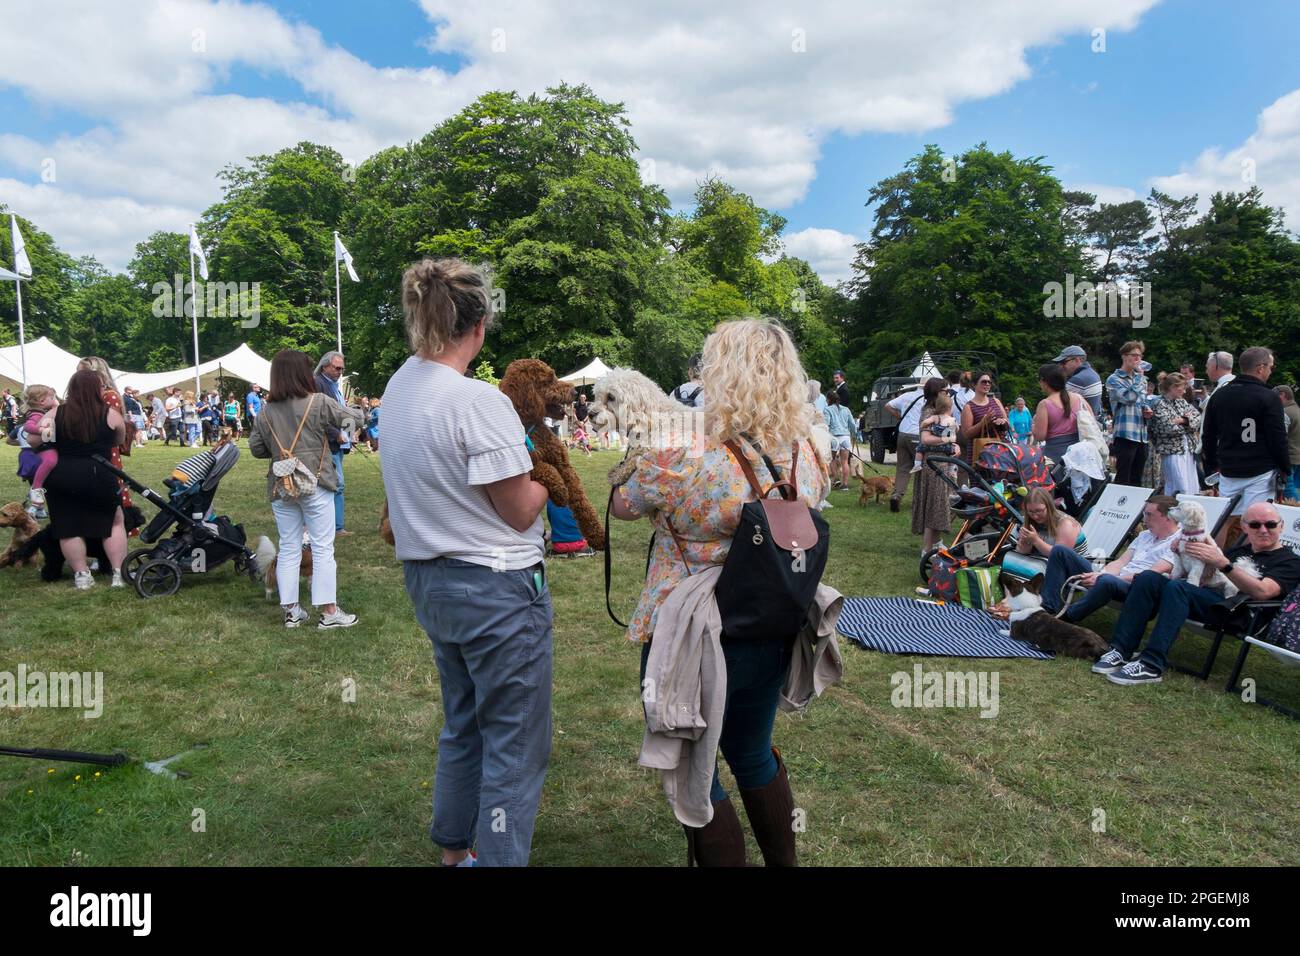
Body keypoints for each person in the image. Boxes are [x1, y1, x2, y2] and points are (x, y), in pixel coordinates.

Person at [611, 317, 828, 867]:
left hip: (689, 623)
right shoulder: (807, 446)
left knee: (691, 767)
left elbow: (625, 506)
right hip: (773, 616)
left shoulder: (683, 442)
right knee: (752, 751)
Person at [381, 258, 551, 867]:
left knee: (464, 725)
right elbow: (519, 511)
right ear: (477, 328)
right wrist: (549, 480)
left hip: (431, 581)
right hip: (495, 586)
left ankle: (456, 855)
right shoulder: (476, 401)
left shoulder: (400, 388)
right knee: (514, 742)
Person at [1094, 502, 1300, 685]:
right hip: (1210, 597)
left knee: (1178, 588)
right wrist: (1182, 552)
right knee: (1148, 578)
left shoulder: (1290, 561)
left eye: (1270, 524)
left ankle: (1151, 663)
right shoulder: (1239, 551)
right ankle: (1121, 649)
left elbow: (1263, 592)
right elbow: (1204, 572)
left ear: (1281, 526)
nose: (1263, 530)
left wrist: (1223, 564)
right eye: (1255, 525)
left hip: (1240, 612)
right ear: (1245, 527)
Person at [249, 349, 363, 630]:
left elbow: (256, 449)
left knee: (288, 548)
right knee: (323, 548)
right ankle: (329, 612)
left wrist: (281, 450)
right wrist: (344, 430)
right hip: (316, 482)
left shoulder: (265, 412)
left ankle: (292, 612)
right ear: (303, 373)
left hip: (281, 486)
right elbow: (354, 420)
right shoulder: (319, 402)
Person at [26, 370, 129, 589]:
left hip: (63, 473)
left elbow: (36, 441)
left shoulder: (55, 414)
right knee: (114, 522)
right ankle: (119, 573)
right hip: (99, 472)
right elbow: (119, 439)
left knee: (68, 526)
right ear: (97, 389)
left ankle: (81, 575)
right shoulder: (110, 414)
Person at [1040, 495, 1178, 618]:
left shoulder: (1178, 543)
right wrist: (1101, 574)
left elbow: (1150, 575)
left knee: (1106, 581)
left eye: (1149, 514)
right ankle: (1048, 608)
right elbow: (1120, 562)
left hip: (1136, 587)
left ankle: (1066, 616)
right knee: (1059, 551)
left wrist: (1103, 577)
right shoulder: (1145, 535)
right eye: (1144, 513)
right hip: (1113, 578)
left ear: (1168, 518)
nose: (1144, 519)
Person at [1202, 347, 1289, 539]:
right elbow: (1277, 438)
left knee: (1223, 520)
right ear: (1260, 367)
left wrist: (1212, 465)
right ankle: (1248, 566)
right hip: (1260, 470)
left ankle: (1212, 566)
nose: (1270, 371)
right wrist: (1284, 467)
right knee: (1257, 522)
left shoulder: (1219, 395)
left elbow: (1207, 435)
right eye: (1270, 367)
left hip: (1228, 468)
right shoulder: (1268, 396)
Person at [911, 378, 957, 555]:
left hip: (942, 461)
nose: (948, 395)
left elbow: (950, 434)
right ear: (936, 393)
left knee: (939, 504)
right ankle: (927, 549)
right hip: (933, 464)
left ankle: (937, 544)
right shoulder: (928, 412)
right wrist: (947, 441)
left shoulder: (940, 412)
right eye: (945, 391)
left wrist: (954, 446)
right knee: (934, 505)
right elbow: (925, 439)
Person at [315, 351, 351, 536]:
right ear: (325, 366)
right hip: (327, 442)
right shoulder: (318, 384)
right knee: (336, 484)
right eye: (337, 368)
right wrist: (336, 433)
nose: (340, 371)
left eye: (342, 368)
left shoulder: (334, 385)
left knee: (336, 484)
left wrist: (349, 431)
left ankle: (335, 525)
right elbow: (319, 415)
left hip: (338, 442)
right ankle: (336, 527)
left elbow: (341, 412)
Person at [1106, 341, 1151, 486]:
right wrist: (1139, 377)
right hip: (1125, 434)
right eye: (1135, 356)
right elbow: (1128, 398)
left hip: (1141, 435)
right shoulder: (1114, 379)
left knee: (1137, 479)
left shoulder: (1140, 380)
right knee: (1123, 477)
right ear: (1124, 356)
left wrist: (1147, 410)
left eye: (1140, 356)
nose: (1138, 360)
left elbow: (1141, 401)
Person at [1149, 372, 1201, 496]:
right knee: (1178, 486)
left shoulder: (1181, 402)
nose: (1184, 392)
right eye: (1182, 388)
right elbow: (1167, 428)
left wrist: (1183, 421)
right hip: (1172, 451)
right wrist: (1188, 425)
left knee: (1191, 485)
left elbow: (1197, 418)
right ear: (1173, 387)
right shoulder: (1159, 404)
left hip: (1188, 449)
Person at [885, 383, 929, 512]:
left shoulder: (907, 395)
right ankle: (919, 500)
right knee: (921, 467)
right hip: (918, 434)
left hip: (903, 434)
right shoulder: (929, 399)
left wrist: (899, 416)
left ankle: (896, 495)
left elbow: (888, 405)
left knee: (903, 468)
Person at [1012, 486, 1087, 561]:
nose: (1035, 516)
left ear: (1049, 506)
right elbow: (1022, 552)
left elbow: (1059, 555)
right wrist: (1025, 542)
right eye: (1030, 511)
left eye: (1039, 511)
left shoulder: (1066, 524)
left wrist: (1036, 540)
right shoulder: (1029, 520)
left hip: (1075, 566)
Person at [16, 384, 58, 517]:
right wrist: (40, 430)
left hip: (46, 445)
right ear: (41, 401)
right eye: (51, 397)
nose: (54, 399)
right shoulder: (36, 414)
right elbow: (28, 426)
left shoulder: (43, 411)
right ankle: (36, 486)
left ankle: (38, 501)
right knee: (51, 460)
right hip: (44, 448)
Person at [958, 370, 1007, 465]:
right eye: (984, 382)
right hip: (980, 453)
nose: (987, 384)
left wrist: (1002, 421)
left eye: (989, 382)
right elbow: (967, 434)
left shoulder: (996, 401)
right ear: (974, 385)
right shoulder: (969, 407)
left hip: (999, 451)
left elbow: (1007, 422)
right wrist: (983, 423)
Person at [910, 390, 956, 477]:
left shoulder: (935, 417)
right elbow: (955, 429)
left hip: (932, 447)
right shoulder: (951, 419)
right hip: (946, 446)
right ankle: (952, 469)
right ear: (950, 408)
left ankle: (917, 465)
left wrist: (923, 425)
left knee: (919, 448)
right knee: (953, 453)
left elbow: (925, 423)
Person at [1054, 345, 1104, 418]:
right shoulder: (1093, 373)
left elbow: (1055, 406)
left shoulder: (1078, 380)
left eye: (1064, 362)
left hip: (1079, 427)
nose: (1061, 366)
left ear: (1077, 360)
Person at [823, 390, 856, 489]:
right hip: (845, 437)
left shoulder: (827, 409)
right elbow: (853, 425)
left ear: (829, 399)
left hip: (834, 437)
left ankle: (836, 479)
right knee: (845, 461)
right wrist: (854, 435)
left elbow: (826, 424)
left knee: (832, 459)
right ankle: (845, 484)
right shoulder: (846, 409)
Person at [1276, 385, 1300, 503]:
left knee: (1288, 490)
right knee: (1294, 487)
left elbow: (1280, 437)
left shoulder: (1284, 413)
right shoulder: (1297, 410)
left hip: (1289, 457)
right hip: (1297, 456)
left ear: (1282, 395)